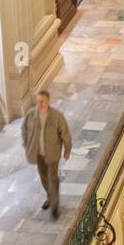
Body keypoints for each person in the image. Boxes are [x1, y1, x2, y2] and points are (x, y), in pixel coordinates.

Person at [21, 89, 72, 219]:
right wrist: (26, 143)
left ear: (48, 101)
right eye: (38, 101)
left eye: (42, 101)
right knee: (44, 177)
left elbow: (65, 133)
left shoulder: (57, 116)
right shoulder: (31, 114)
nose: (40, 104)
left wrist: (67, 150)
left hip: (52, 154)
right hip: (38, 154)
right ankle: (50, 197)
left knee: (52, 178)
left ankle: (55, 206)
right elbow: (24, 128)